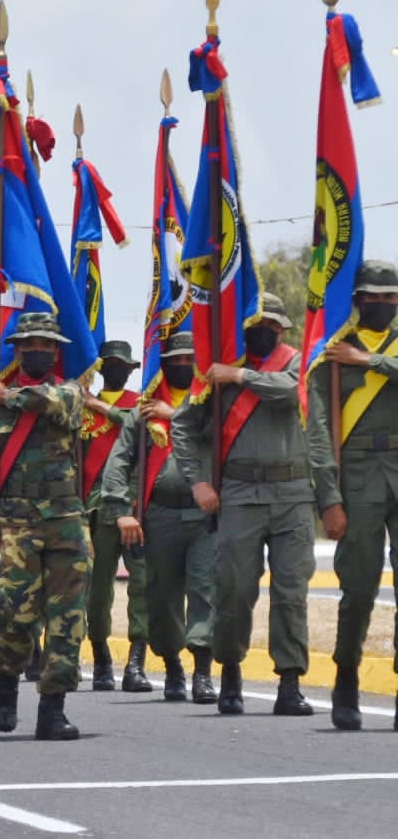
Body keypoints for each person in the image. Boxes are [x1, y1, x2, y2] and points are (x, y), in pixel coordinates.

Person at [172, 292, 315, 717]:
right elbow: (183, 426)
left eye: (270, 326)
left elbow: (292, 392)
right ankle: (230, 670)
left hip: (293, 496)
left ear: (282, 330)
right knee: (233, 591)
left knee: (291, 593)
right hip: (238, 494)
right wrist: (198, 482)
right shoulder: (216, 375)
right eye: (254, 326)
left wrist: (239, 376)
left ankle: (289, 683)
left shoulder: (292, 363)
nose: (262, 333)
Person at [0, 312, 89, 741]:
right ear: (16, 350)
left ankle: (53, 708)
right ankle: (6, 680)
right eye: (29, 345)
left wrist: (7, 399)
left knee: (67, 621)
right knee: (10, 614)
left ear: (57, 353)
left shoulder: (69, 393)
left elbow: (54, 404)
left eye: (47, 346)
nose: (38, 352)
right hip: (12, 523)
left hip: (65, 523)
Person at [100, 333, 217, 703]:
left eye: (189, 360)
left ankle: (202, 672)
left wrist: (177, 416)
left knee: (205, 591)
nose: (182, 366)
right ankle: (172, 664)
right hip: (160, 514)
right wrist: (120, 512)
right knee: (162, 598)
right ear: (162, 365)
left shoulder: (212, 404)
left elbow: (223, 436)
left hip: (205, 516)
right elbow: (118, 462)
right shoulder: (144, 409)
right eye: (174, 361)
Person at [306, 260, 398, 731]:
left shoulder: (364, 354)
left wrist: (369, 362)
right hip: (357, 479)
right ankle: (345, 678)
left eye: (388, 298)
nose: (380, 305)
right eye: (371, 297)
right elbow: (318, 431)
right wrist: (329, 498)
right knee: (358, 589)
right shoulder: (331, 354)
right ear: (356, 300)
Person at [81, 340, 150, 693]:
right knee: (98, 592)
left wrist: (100, 408)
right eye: (111, 365)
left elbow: (136, 427)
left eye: (124, 366)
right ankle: (101, 656)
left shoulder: (137, 405)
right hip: (96, 512)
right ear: (101, 367)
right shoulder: (82, 409)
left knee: (142, 586)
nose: (117, 370)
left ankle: (136, 660)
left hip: (136, 511)